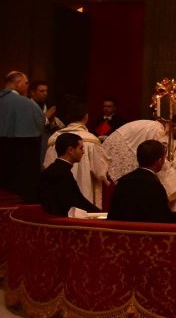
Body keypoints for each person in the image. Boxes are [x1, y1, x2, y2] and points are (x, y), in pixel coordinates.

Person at [43, 101, 109, 208]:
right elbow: (100, 172)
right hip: (85, 195)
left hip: (59, 196)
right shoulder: (91, 140)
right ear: (86, 117)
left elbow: (48, 166)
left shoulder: (55, 139)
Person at [108, 139, 176, 223]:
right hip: (145, 234)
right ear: (159, 161)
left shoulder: (123, 181)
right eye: (164, 158)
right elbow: (162, 219)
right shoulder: (155, 186)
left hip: (120, 233)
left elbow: (113, 215)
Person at [104, 117, 176, 201]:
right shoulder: (158, 129)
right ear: (167, 125)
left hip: (119, 143)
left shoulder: (152, 125)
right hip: (120, 146)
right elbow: (153, 150)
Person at [0, 70, 45, 201]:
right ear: (18, 83)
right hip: (20, 166)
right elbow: (39, 123)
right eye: (25, 83)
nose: (27, 86)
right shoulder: (27, 104)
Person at [37, 132, 101, 216]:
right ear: (70, 150)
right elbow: (74, 203)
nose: (83, 152)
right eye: (81, 148)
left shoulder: (56, 169)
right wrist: (100, 214)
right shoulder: (61, 173)